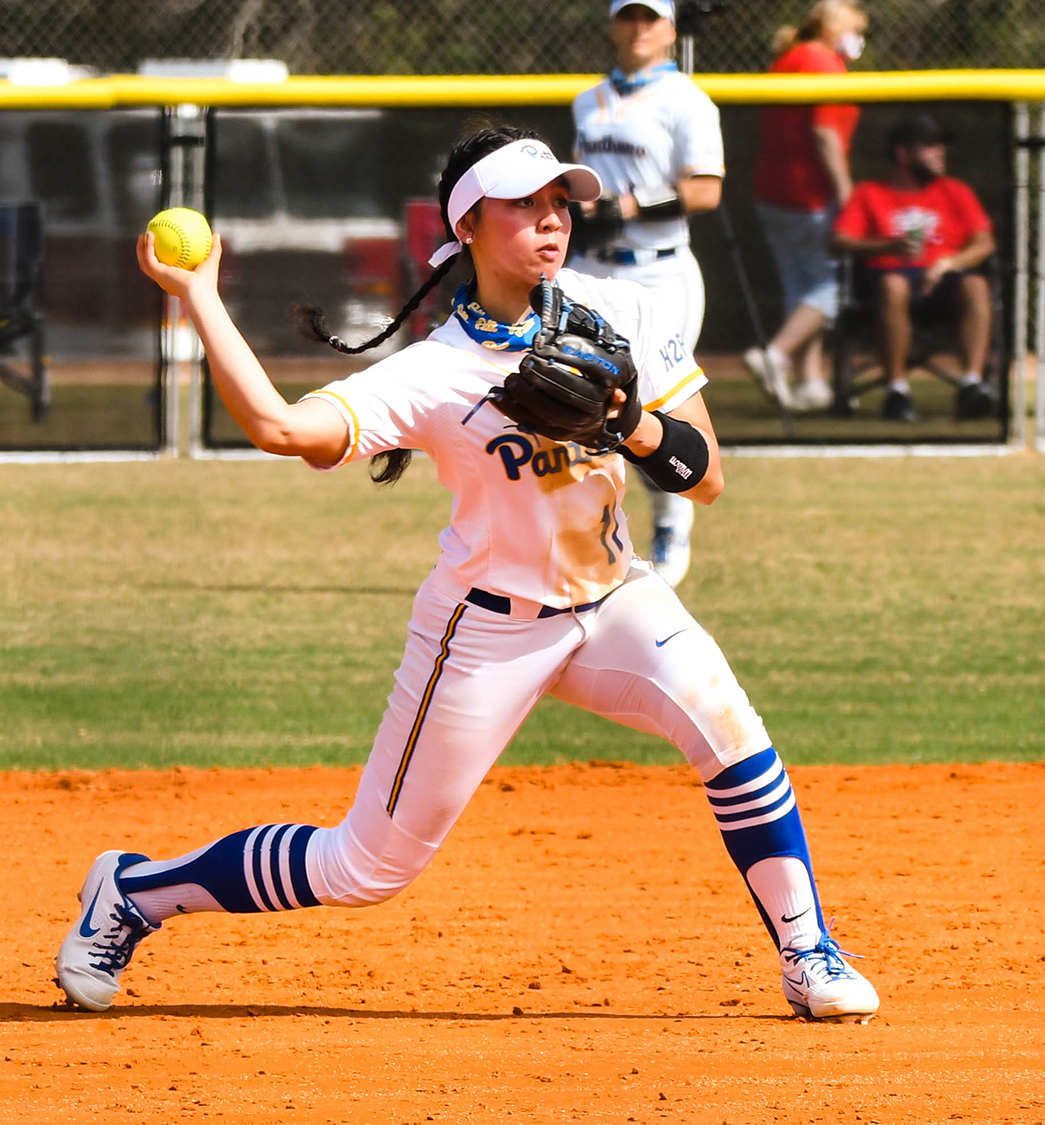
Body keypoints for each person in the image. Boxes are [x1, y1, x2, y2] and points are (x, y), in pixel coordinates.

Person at [52, 125, 880, 1025]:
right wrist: (200, 294)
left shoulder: (622, 314)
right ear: (469, 228)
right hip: (487, 628)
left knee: (733, 733)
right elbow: (283, 431)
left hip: (613, 598)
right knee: (364, 869)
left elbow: (706, 477)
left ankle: (808, 953)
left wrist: (629, 423)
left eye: (561, 202)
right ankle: (134, 890)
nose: (551, 221)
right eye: (525, 205)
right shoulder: (435, 372)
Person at [571, 0, 725, 588]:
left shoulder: (687, 99)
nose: (638, 28)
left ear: (670, 28)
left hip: (660, 269)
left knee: (652, 407)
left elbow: (706, 190)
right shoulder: (589, 100)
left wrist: (629, 206)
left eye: (649, 17)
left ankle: (671, 519)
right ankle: (589, 532)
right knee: (576, 399)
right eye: (628, 16)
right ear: (613, 25)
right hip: (591, 267)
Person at [828, 113, 998, 422]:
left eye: (941, 145)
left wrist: (948, 264)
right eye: (930, 146)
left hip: (944, 283)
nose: (940, 152)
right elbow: (839, 241)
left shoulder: (954, 191)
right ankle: (897, 391)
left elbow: (985, 243)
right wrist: (887, 246)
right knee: (894, 285)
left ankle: (972, 385)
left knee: (976, 285)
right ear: (903, 154)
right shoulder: (870, 193)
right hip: (885, 285)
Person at [744, 0, 868, 413]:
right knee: (828, 289)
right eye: (855, 25)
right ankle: (775, 354)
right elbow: (825, 135)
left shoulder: (791, 57)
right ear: (834, 26)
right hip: (809, 193)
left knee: (801, 288)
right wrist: (847, 192)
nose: (859, 35)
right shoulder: (823, 61)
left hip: (772, 189)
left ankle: (810, 380)